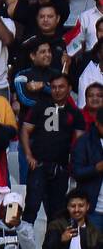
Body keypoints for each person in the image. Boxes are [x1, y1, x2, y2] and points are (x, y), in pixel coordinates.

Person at [21, 73, 85, 223]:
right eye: (54, 87)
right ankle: (23, 246)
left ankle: (53, 246)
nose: (57, 90)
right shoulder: (40, 106)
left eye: (61, 87)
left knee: (57, 213)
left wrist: (73, 165)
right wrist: (28, 155)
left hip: (60, 168)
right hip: (38, 164)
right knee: (31, 208)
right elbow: (25, 129)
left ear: (69, 88)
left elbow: (79, 142)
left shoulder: (75, 113)